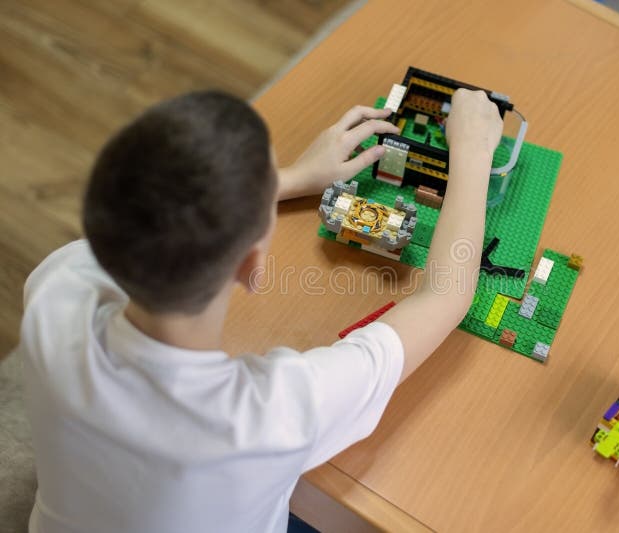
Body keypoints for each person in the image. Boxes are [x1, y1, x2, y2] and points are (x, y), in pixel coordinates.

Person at [19, 88, 502, 532]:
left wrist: (291, 178)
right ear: (253, 265)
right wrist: (474, 153)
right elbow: (447, 294)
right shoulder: (274, 416)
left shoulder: (55, 289)